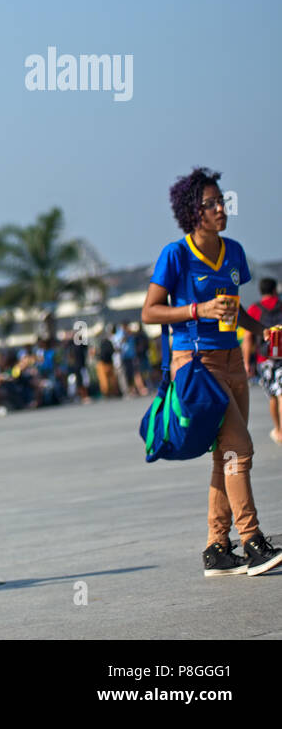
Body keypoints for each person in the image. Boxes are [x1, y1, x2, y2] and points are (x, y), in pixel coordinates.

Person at [140, 168, 282, 578]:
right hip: (197, 367)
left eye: (223, 201)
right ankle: (252, 540)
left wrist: (267, 335)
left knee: (225, 457)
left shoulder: (234, 253)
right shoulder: (176, 255)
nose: (222, 208)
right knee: (241, 448)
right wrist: (196, 310)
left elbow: (235, 314)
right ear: (192, 212)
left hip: (234, 360)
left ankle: (217, 547)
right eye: (212, 203)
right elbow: (149, 311)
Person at [244, 277, 282, 445]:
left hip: (264, 359)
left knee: (273, 396)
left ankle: (279, 430)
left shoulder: (254, 308)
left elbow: (248, 338)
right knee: (281, 394)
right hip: (281, 357)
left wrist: (247, 362)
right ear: (275, 290)